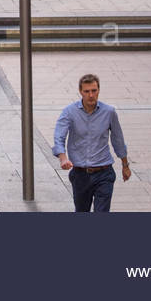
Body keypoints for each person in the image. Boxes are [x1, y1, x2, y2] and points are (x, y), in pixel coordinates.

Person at [53, 74, 131, 212]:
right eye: (86, 91)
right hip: (80, 174)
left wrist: (125, 165)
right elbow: (59, 136)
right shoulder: (69, 112)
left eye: (94, 91)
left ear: (99, 90)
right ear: (80, 91)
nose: (91, 95)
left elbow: (118, 139)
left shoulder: (109, 112)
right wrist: (63, 158)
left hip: (104, 172)